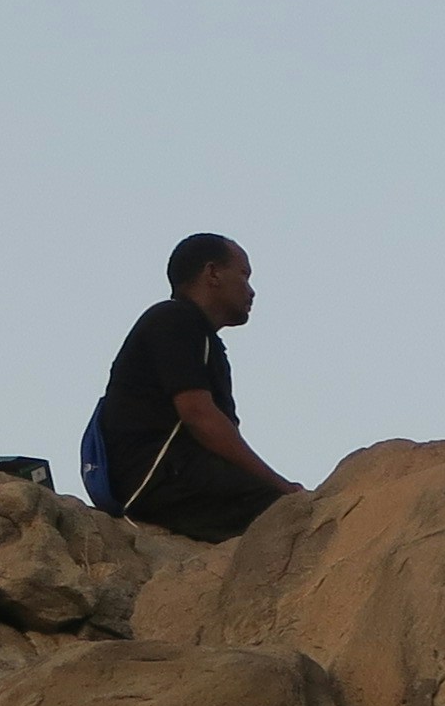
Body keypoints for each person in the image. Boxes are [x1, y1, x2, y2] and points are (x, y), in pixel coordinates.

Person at [92, 232, 296, 542]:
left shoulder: (206, 342)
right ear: (213, 273)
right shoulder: (174, 319)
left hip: (177, 476)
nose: (251, 291)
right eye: (243, 274)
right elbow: (198, 415)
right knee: (289, 516)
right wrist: (283, 486)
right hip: (156, 478)